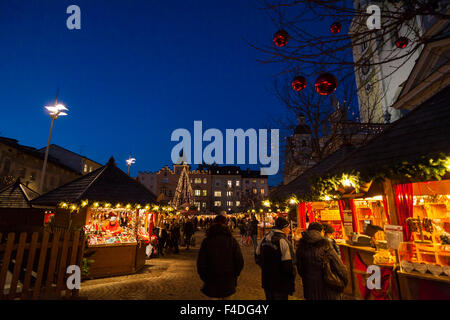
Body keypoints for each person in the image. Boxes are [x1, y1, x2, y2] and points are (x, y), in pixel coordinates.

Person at [197, 212, 244, 299]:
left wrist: (205, 277)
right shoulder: (231, 241)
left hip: (211, 280)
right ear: (226, 225)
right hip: (228, 280)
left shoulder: (207, 241)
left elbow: (201, 263)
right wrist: (234, 276)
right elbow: (239, 261)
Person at [295, 222, 348, 300]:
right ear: (321, 231)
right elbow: (338, 265)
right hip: (327, 286)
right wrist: (344, 280)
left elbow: (299, 268)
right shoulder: (325, 244)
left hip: (309, 287)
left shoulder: (301, 245)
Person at [255, 217, 296, 300]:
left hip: (267, 280)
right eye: (288, 228)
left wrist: (265, 267)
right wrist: (290, 280)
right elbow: (288, 264)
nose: (289, 230)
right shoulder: (282, 241)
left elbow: (257, 256)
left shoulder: (264, 238)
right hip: (280, 282)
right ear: (284, 228)